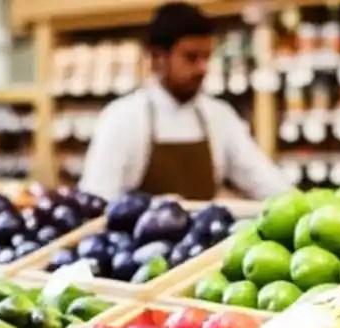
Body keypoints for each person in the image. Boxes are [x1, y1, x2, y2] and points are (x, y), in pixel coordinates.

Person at [80, 2, 289, 201]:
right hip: (140, 238)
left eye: (206, 57)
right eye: (191, 57)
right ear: (157, 57)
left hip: (206, 236)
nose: (202, 68)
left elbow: (264, 180)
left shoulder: (219, 116)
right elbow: (98, 198)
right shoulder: (122, 118)